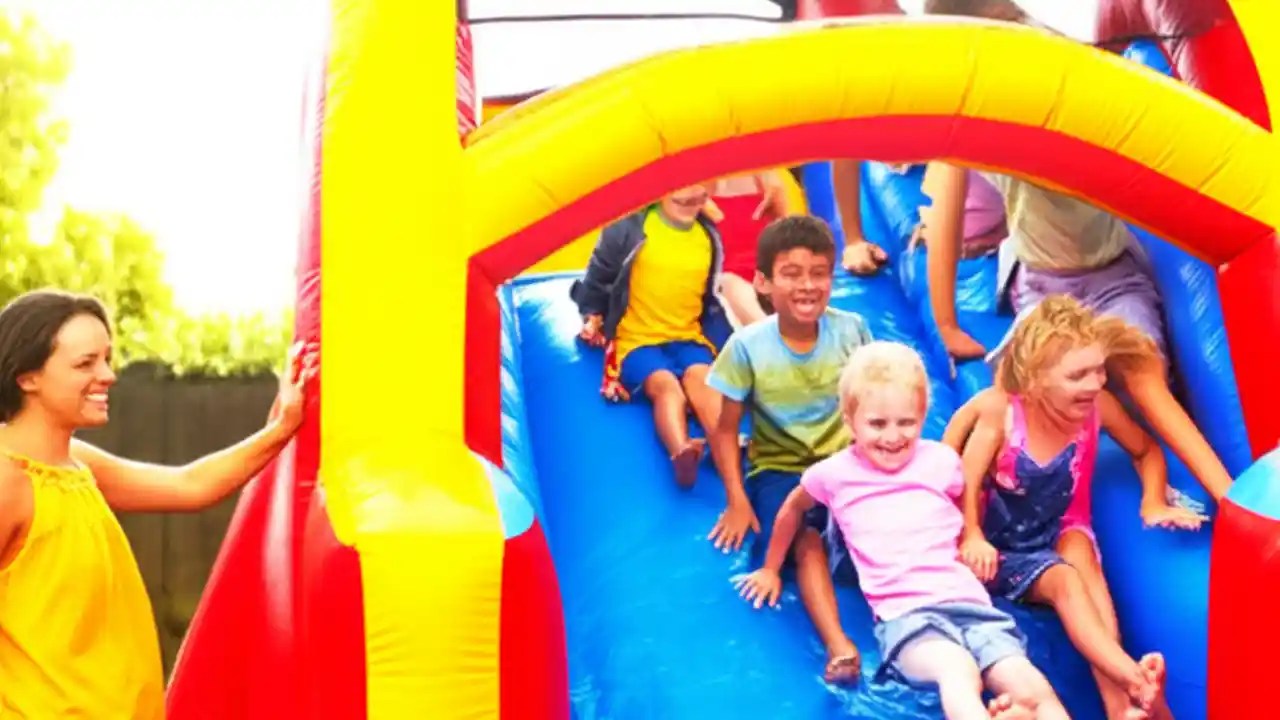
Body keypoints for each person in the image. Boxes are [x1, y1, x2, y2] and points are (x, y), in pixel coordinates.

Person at [921, 0, 1234, 503]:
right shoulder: (979, 115)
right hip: (1045, 285)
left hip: (1113, 275)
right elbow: (945, 214)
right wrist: (945, 322)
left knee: (1143, 373)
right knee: (1018, 393)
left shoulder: (1067, 80)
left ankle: (1234, 500)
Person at [0, 289, 315, 719]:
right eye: (85, 363)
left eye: (107, 357)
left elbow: (191, 485)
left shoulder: (77, 466)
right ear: (27, 377)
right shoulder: (8, 480)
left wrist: (281, 428)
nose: (108, 374)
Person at [737, 341, 1070, 720]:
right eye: (877, 424)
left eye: (906, 422)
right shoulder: (834, 474)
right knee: (957, 671)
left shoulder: (941, 461)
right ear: (850, 420)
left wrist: (970, 536)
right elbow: (793, 508)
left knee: (1029, 682)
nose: (893, 436)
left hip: (972, 605)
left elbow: (964, 499)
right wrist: (769, 566)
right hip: (909, 618)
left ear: (924, 414)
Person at [945, 296, 1206, 720]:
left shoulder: (1098, 409)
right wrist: (971, 535)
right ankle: (1134, 680)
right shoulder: (1003, 413)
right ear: (1035, 380)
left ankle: (1120, 707)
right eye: (1078, 374)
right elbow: (964, 479)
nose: (1095, 383)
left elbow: (1146, 451)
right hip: (1002, 548)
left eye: (1099, 369)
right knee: (1066, 580)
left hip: (1063, 529)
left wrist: (1153, 500)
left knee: (1079, 554)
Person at [705, 215, 871, 682]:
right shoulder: (747, 347)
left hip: (845, 463)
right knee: (805, 540)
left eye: (819, 273)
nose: (807, 286)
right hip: (782, 471)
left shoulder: (852, 329)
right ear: (763, 282)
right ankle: (839, 645)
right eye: (791, 274)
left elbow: (870, 398)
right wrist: (737, 500)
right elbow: (724, 429)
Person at [572, 184, 728, 488]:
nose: (688, 195)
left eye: (699, 187)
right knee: (666, 387)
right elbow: (599, 277)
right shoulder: (630, 228)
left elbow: (708, 298)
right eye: (679, 187)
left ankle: (726, 453)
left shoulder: (707, 236)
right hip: (638, 339)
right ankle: (681, 450)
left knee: (704, 381)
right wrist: (592, 315)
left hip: (689, 337)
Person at [706, 170, 791, 326]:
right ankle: (771, 337)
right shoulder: (693, 188)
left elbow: (787, 234)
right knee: (731, 285)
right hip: (726, 279)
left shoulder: (768, 178)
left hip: (767, 273)